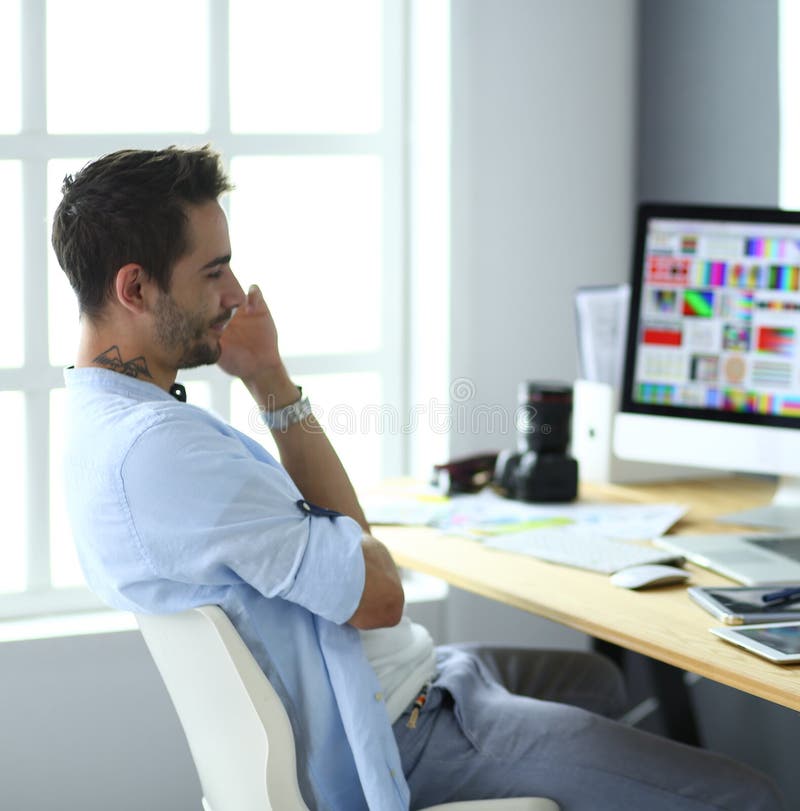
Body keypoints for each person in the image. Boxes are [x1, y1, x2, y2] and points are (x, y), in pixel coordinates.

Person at [53, 145, 784, 811]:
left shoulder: (108, 424)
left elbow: (357, 560)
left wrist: (269, 375)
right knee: (745, 796)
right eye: (214, 272)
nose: (236, 295)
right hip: (404, 725)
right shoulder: (162, 454)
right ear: (136, 287)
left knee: (600, 680)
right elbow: (380, 594)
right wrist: (278, 397)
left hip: (404, 678)